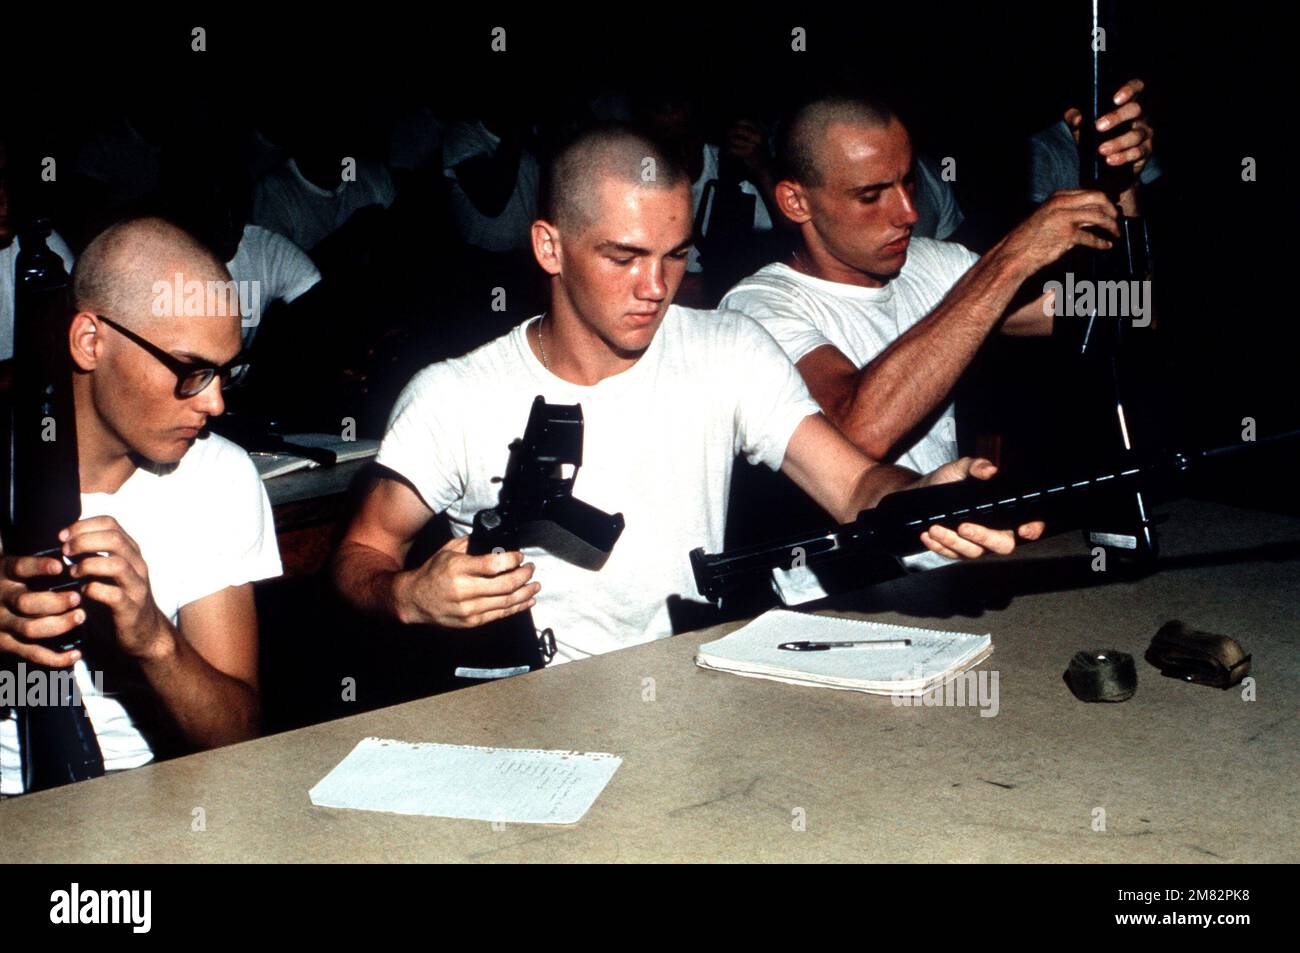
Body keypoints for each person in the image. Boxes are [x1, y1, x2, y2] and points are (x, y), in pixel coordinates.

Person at [332, 124, 1040, 665]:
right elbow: (360, 552)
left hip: (691, 675)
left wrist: (925, 493)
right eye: (624, 256)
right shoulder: (456, 395)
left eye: (674, 255)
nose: (655, 287)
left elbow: (854, 483)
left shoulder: (724, 348)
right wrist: (406, 595)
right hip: (531, 704)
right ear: (550, 248)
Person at [721, 84, 1154, 472]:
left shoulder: (935, 265)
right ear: (796, 201)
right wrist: (1010, 259)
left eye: (908, 184)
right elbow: (855, 435)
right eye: (870, 196)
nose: (909, 213)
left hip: (948, 558)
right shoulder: (757, 307)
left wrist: (1119, 186)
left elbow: (1130, 310)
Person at [0, 217, 282, 794]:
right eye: (190, 371)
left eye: (225, 372)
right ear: (89, 341)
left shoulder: (219, 476)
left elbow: (237, 739)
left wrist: (154, 640)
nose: (216, 402)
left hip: (154, 797)